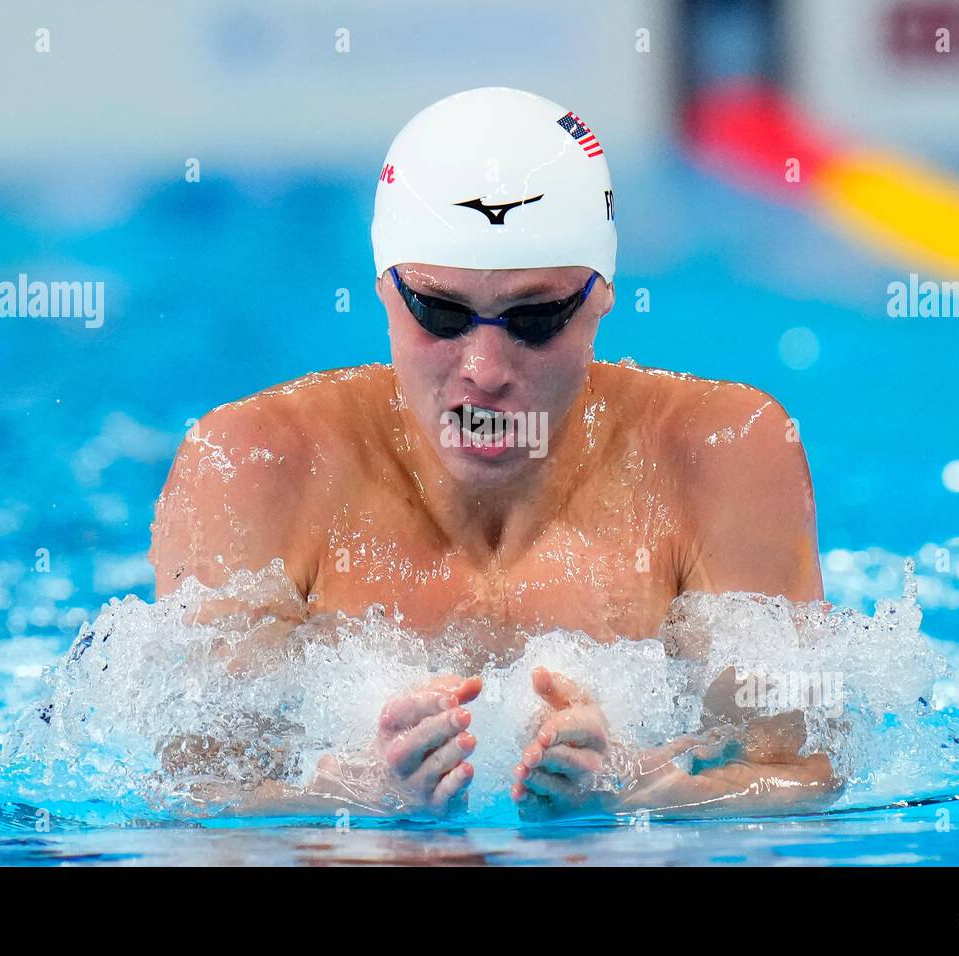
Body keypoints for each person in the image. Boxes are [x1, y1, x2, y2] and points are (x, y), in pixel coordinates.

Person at [149, 87, 838, 819]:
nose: (483, 366)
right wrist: (341, 799)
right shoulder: (257, 466)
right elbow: (185, 798)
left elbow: (800, 771)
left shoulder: (720, 450)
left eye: (534, 319)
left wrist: (638, 790)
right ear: (385, 288)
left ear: (601, 294)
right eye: (440, 313)